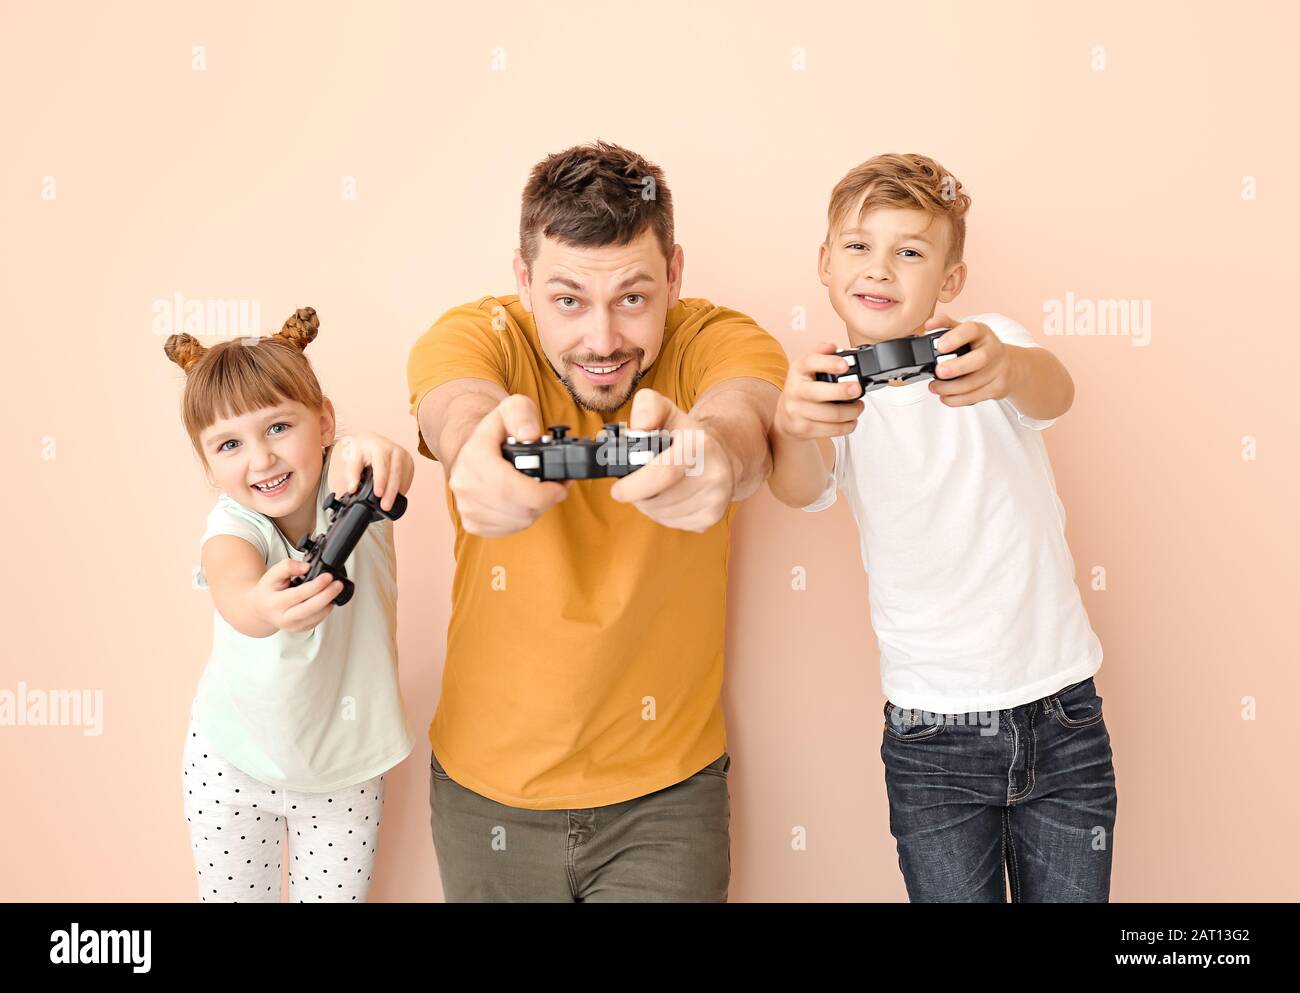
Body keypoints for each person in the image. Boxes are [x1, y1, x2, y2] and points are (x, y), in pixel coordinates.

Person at [406, 140, 788, 901]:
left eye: (635, 298)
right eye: (569, 299)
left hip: (667, 798)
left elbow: (744, 413)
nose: (604, 340)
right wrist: (471, 451)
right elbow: (455, 403)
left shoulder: (720, 338)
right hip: (488, 795)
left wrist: (713, 455)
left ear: (675, 273)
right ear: (523, 281)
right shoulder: (477, 333)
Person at [767, 153, 1117, 902]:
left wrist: (1010, 369)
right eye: (859, 246)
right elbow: (799, 490)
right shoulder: (827, 391)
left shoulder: (985, 342)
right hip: (932, 736)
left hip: (1062, 708)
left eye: (911, 251)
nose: (881, 268)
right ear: (825, 264)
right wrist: (791, 423)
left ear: (948, 282)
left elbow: (1056, 393)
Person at [165, 307, 416, 902]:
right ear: (208, 463)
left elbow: (382, 456)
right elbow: (235, 592)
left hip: (344, 774)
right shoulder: (233, 524)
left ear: (324, 421)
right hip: (232, 763)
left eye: (279, 427)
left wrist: (380, 452)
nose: (261, 459)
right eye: (229, 444)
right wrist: (264, 605)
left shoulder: (356, 490)